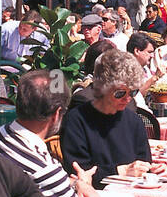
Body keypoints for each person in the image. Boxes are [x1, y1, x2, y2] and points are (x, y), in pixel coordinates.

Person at [0, 70, 100, 197]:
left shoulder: (1, 135)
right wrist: (84, 183)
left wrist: (75, 183)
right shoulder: (44, 168)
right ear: (56, 114)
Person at [59, 50, 152, 187]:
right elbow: (79, 173)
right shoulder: (76, 120)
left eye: (133, 92)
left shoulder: (134, 121)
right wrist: (121, 171)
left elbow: (144, 161)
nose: (127, 98)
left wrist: (151, 169)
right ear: (102, 88)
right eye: (120, 93)